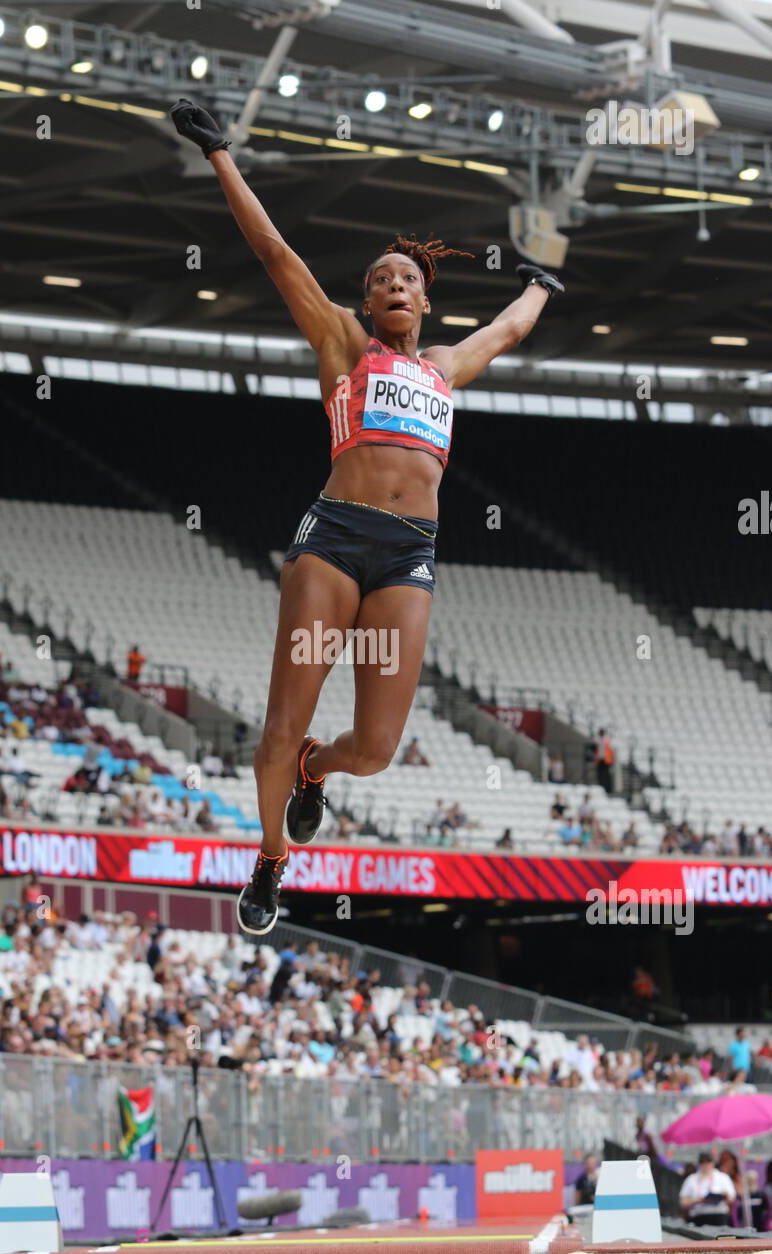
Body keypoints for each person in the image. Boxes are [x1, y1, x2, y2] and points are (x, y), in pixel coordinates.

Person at [168, 99, 564, 935]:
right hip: (336, 542)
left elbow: (509, 328)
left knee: (377, 751)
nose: (392, 284)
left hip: (408, 555)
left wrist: (542, 281)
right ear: (367, 298)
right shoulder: (345, 345)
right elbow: (275, 253)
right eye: (380, 277)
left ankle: (318, 771)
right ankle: (272, 858)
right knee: (280, 727)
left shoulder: (448, 368)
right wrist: (220, 155)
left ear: (424, 302)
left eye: (406, 279)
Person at [679, 1153, 737, 1228]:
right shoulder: (691, 1179)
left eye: (708, 1161)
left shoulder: (723, 1177)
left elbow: (732, 1199)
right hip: (698, 1217)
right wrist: (697, 1201)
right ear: (699, 1164)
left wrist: (724, 1196)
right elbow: (682, 1203)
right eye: (702, 1162)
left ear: (713, 1162)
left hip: (719, 1217)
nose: (706, 1165)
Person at [595, 728, 614, 794]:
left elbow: (609, 749)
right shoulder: (598, 739)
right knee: (600, 775)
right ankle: (601, 787)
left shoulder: (606, 739)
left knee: (606, 775)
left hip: (606, 760)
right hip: (600, 759)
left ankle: (608, 789)